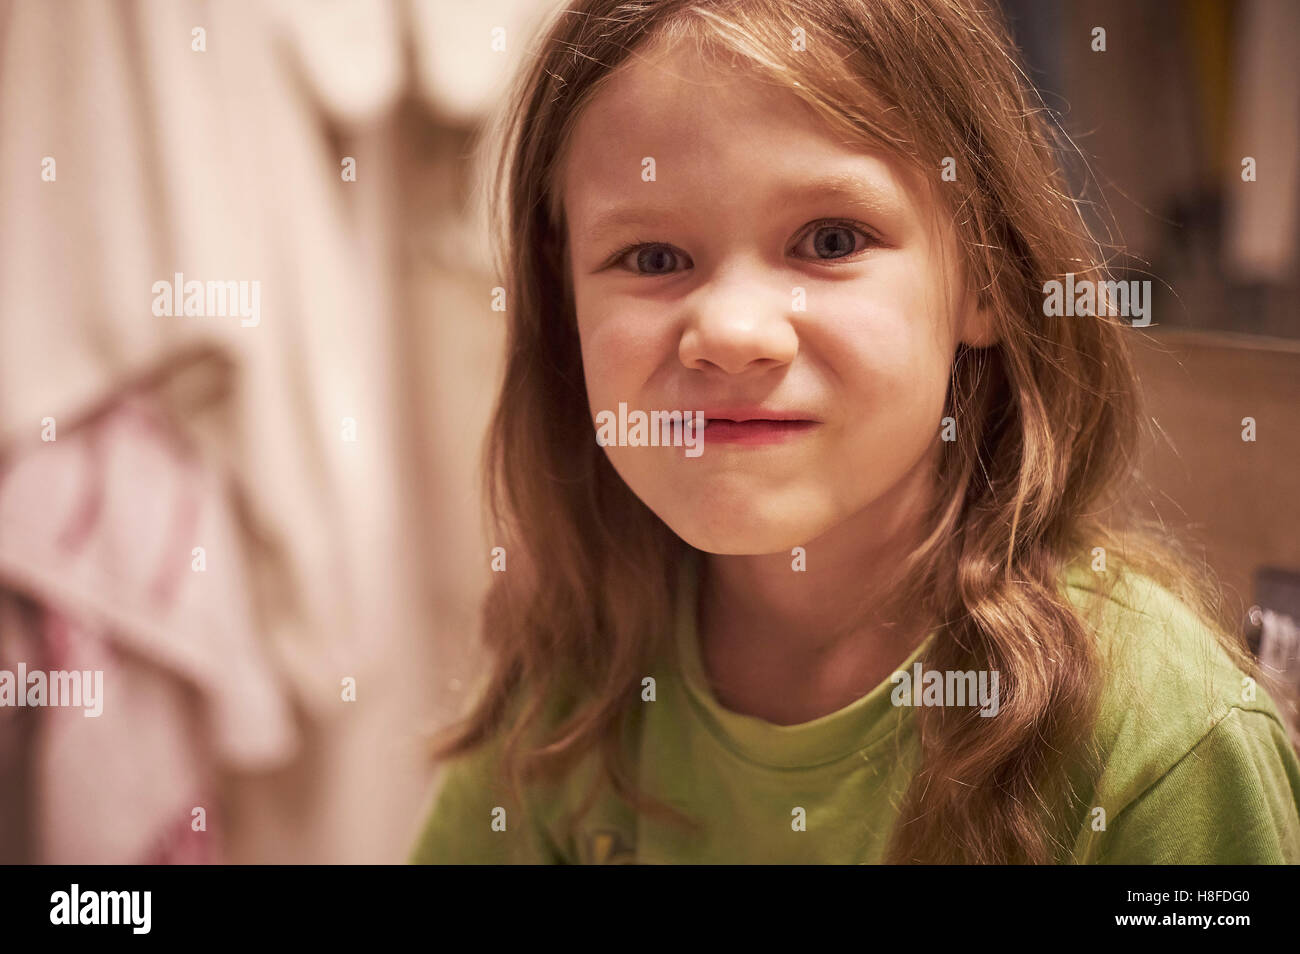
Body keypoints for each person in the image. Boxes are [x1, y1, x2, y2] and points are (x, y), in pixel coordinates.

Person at [409, 0, 1300, 864]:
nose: (731, 331)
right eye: (651, 258)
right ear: (563, 306)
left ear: (986, 283)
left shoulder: (1159, 746)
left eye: (830, 240)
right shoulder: (579, 678)